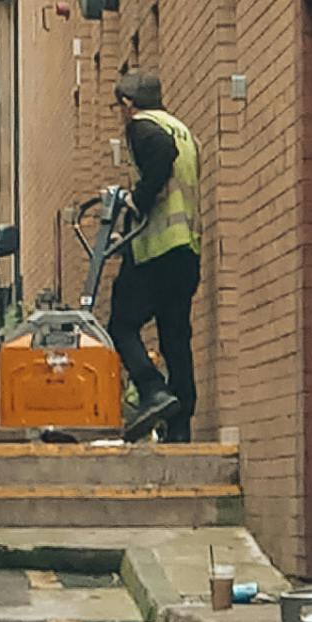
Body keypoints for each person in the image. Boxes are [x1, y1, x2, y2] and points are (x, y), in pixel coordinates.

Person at [108, 68, 200, 443]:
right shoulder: (182, 130)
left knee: (121, 324)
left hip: (157, 251)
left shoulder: (142, 127)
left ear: (128, 104)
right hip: (186, 250)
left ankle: (152, 389)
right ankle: (180, 424)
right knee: (175, 336)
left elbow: (161, 156)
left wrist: (138, 199)